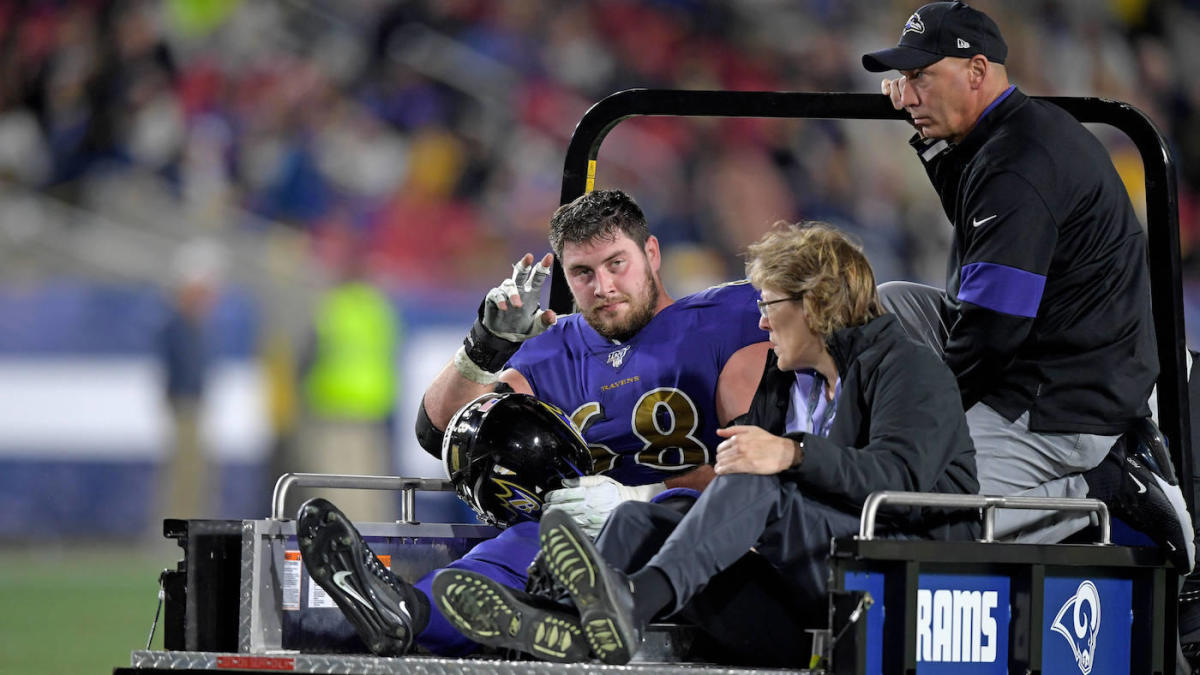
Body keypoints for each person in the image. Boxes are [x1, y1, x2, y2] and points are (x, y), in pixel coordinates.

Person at [433, 222, 981, 666]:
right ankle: (552, 625)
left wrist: (792, 454)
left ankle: (629, 605)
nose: (760, 320)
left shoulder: (908, 367)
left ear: (814, 304)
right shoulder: (785, 379)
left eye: (769, 304)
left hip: (898, 588)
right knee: (639, 522)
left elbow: (900, 479)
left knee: (756, 486)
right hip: (810, 589)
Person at [297, 189, 769, 657]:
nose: (603, 286)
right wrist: (486, 345)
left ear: (651, 253)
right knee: (528, 538)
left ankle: (546, 618)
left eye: (616, 264)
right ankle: (408, 612)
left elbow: (760, 472)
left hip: (694, 540)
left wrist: (640, 497)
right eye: (583, 272)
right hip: (577, 544)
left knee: (651, 516)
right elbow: (441, 432)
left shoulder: (724, 321)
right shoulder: (554, 348)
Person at [862, 1, 1194, 570]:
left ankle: (1103, 487)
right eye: (906, 77)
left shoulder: (1019, 161)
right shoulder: (1012, 129)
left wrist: (928, 418)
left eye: (921, 76)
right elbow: (979, 219)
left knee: (915, 510)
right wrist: (932, 139)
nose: (907, 94)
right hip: (1045, 349)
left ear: (976, 70)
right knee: (889, 304)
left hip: (1062, 399)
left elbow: (993, 332)